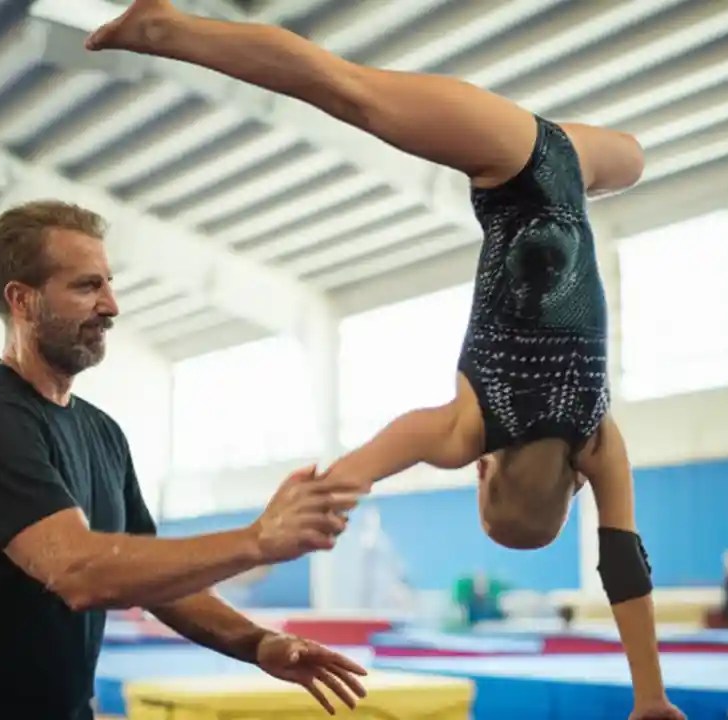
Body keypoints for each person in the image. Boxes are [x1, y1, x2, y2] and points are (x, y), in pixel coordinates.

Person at [85, 5, 681, 718]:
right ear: (484, 474)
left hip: (573, 171)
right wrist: (283, 531)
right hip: (513, 164)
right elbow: (353, 474)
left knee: (637, 157)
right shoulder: (467, 432)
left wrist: (652, 696)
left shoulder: (596, 439)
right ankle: (165, 30)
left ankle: (170, 32)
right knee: (347, 90)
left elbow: (623, 561)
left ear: (570, 489)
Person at [0, 200, 367, 719]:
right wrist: (257, 540)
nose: (111, 305)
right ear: (22, 300)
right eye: (87, 287)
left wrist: (258, 643)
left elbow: (154, 580)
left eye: (108, 284)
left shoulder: (102, 434)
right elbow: (78, 571)